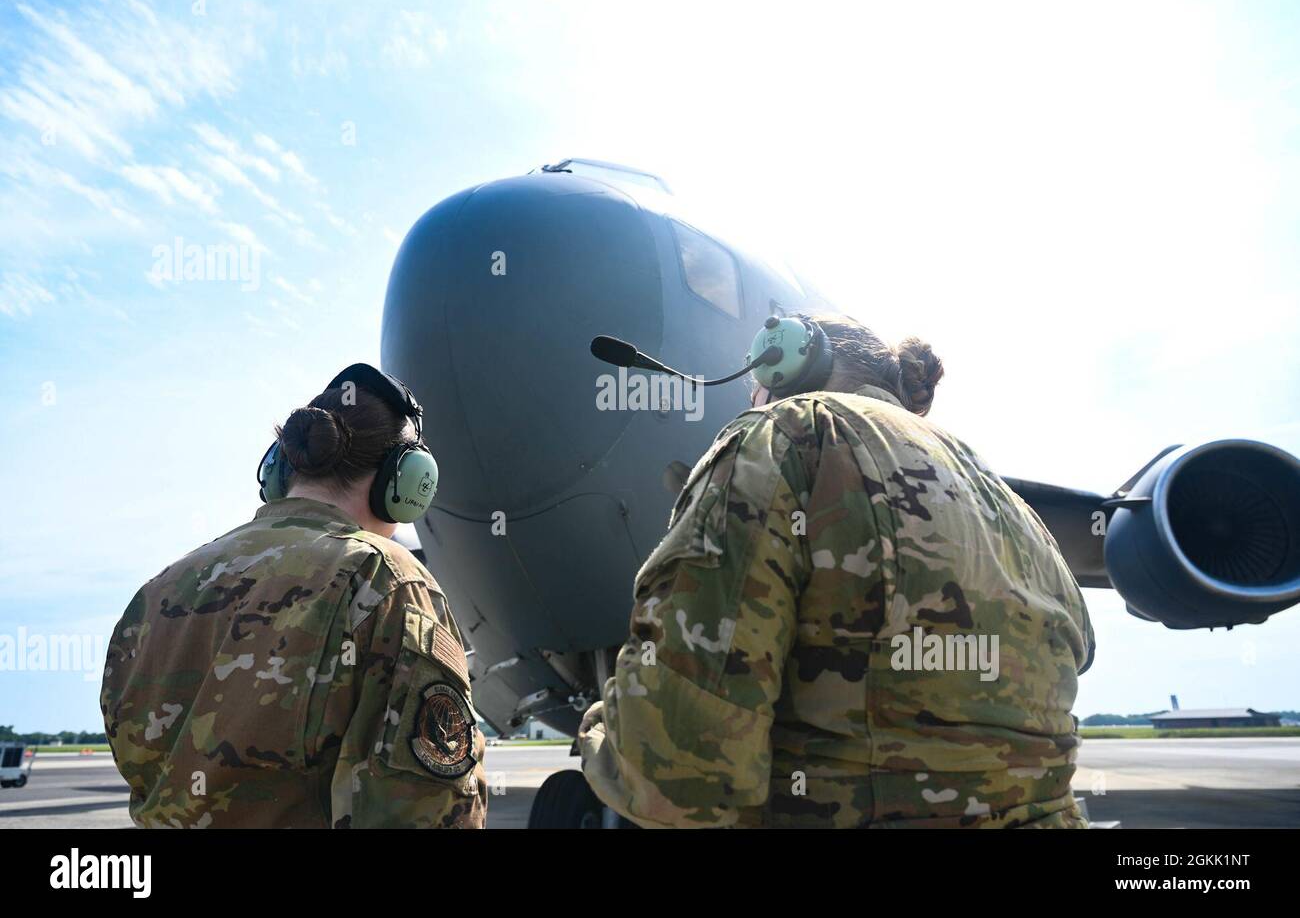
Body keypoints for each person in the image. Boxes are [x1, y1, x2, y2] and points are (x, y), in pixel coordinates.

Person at [578, 313, 1094, 828]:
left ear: (786, 365)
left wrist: (602, 728)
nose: (753, 404)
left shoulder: (787, 436)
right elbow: (1080, 650)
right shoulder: (1005, 498)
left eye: (754, 390)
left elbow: (679, 777)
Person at [100, 364, 486, 828]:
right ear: (405, 483)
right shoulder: (383, 578)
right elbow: (430, 807)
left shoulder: (161, 588)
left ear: (281, 469)